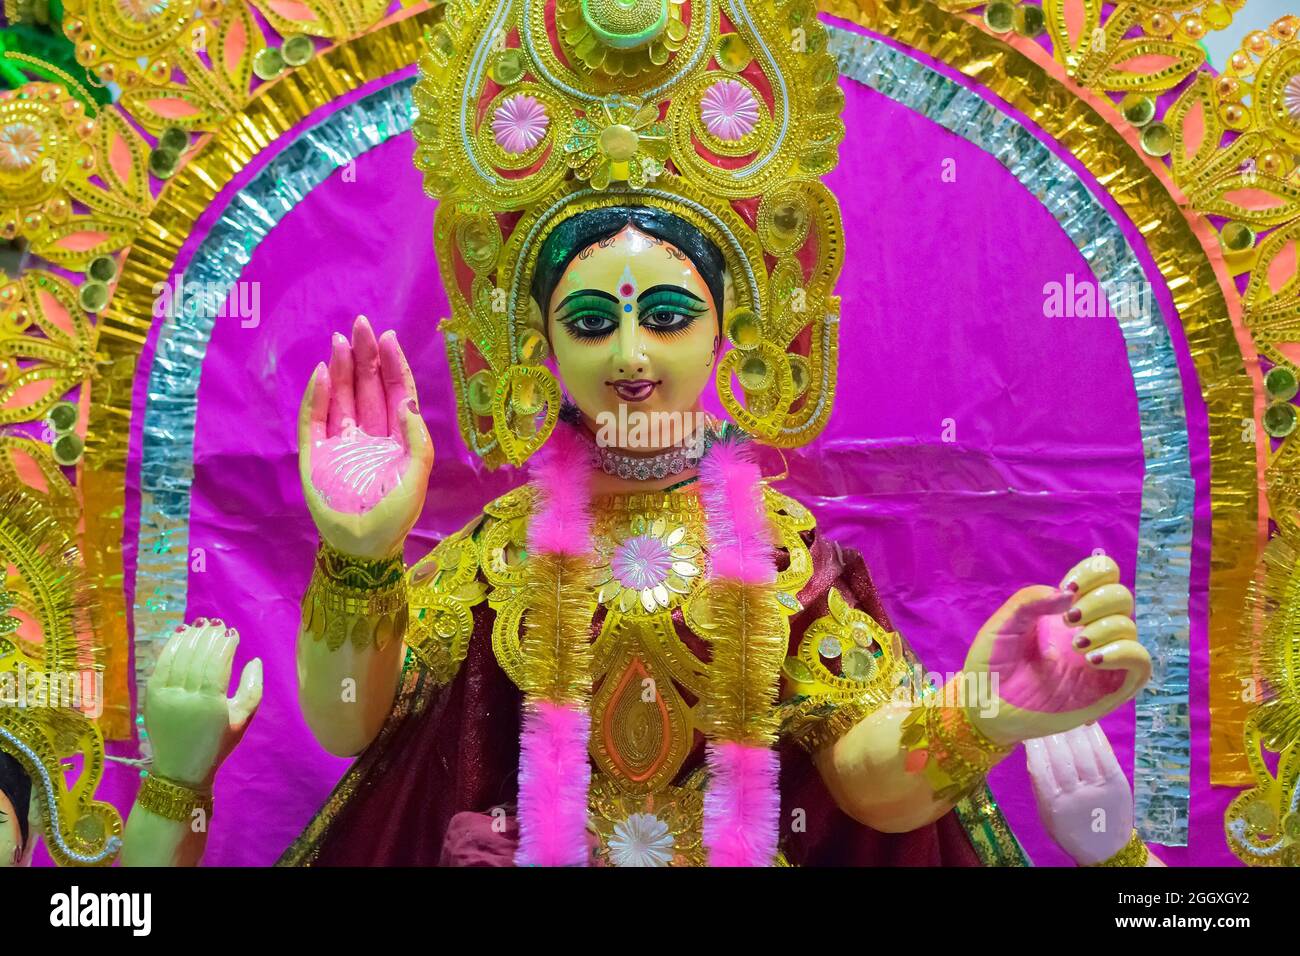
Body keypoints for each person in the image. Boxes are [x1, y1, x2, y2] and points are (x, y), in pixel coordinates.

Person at [277, 2, 1152, 866]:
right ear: (537, 341)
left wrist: (979, 713)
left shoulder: (782, 559)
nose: (629, 353)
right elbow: (350, 721)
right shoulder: (500, 554)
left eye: (665, 315)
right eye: (589, 322)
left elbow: (869, 790)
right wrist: (359, 553)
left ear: (729, 324)